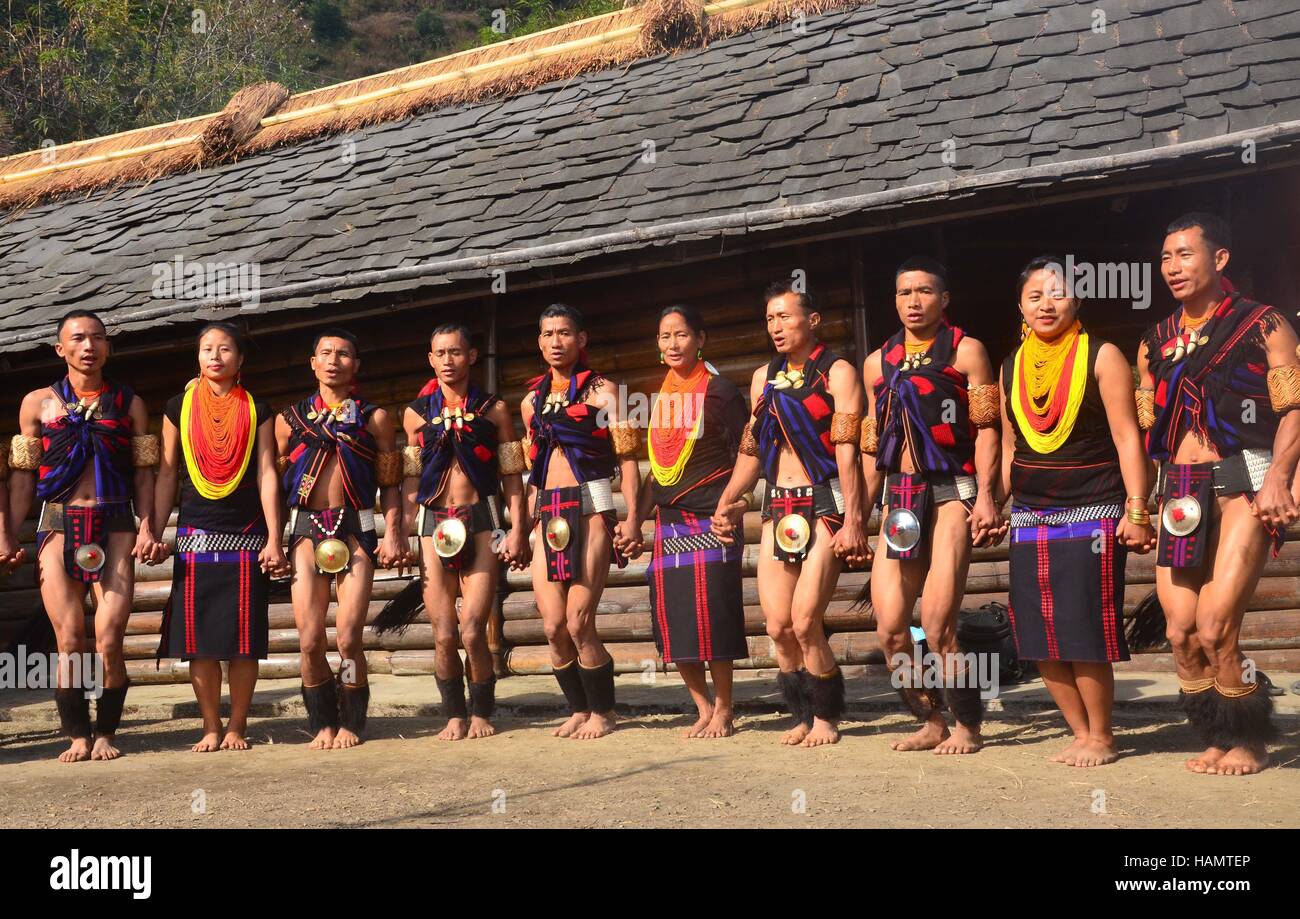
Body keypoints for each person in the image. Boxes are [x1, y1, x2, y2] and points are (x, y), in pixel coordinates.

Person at [1138, 212, 1300, 776]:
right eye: (1165, 258)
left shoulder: (1265, 324)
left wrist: (1280, 476)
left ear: (1220, 258)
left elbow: (1293, 409)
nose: (1173, 268)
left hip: (1243, 483)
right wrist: (1139, 504)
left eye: (1185, 254)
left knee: (1217, 625)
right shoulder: (1154, 342)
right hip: (1178, 492)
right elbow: (1146, 432)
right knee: (1182, 632)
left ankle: (1251, 740)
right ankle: (1215, 733)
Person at [999, 256, 1154, 767]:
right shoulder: (1010, 366)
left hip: (1093, 505)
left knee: (1083, 625)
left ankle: (1103, 735)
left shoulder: (1102, 355)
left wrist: (1137, 508)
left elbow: (1127, 436)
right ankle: (1080, 731)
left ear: (1078, 299)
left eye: (1057, 293)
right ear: (1020, 306)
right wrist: (991, 500)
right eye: (1035, 295)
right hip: (1030, 511)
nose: (1047, 303)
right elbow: (1009, 443)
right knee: (1038, 631)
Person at [712, 281, 869, 748]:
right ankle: (800, 714)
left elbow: (847, 452)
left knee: (805, 620)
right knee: (778, 626)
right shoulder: (764, 377)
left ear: (812, 320)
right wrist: (728, 498)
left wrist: (855, 519)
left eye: (785, 316)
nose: (776, 327)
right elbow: (751, 448)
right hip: (777, 504)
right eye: (770, 319)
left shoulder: (837, 372)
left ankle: (826, 716)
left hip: (824, 502)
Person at [860, 257, 1001, 754]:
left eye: (923, 291)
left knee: (938, 624)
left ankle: (967, 724)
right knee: (893, 628)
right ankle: (930, 717)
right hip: (899, 497)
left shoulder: (967, 352)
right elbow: (871, 446)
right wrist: (855, 518)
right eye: (903, 293)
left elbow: (987, 428)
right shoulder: (878, 362)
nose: (913, 301)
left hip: (951, 493)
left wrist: (987, 496)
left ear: (944, 299)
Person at [7, 309, 158, 762]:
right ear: (61, 348)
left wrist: (148, 525)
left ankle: (107, 731)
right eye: (78, 339)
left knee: (110, 638)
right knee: (70, 637)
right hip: (56, 523)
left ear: (108, 347)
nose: (88, 346)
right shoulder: (37, 403)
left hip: (114, 524)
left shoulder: (128, 403)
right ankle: (77, 734)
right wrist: (10, 534)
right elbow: (22, 476)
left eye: (97, 338)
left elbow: (145, 474)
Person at [378, 322, 530, 740]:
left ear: (471, 356)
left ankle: (482, 711)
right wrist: (398, 533)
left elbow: (512, 474)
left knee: (472, 630)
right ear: (431, 359)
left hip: (481, 523)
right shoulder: (415, 414)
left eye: (456, 352)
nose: (448, 360)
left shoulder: (493, 410)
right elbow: (409, 480)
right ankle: (454, 715)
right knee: (444, 634)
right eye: (440, 353)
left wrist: (518, 529)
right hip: (432, 526)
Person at [153, 322, 288, 751]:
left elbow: (268, 473)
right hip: (195, 531)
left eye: (225, 349)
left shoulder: (258, 410)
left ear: (240, 359)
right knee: (200, 642)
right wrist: (153, 530)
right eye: (207, 349)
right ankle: (211, 725)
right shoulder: (177, 407)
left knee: (244, 641)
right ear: (197, 358)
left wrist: (273, 537)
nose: (215, 356)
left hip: (247, 531)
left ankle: (238, 726)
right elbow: (168, 471)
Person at [276, 328, 404, 749]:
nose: (333, 360)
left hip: (356, 530)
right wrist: (272, 539)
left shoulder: (374, 418)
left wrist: (394, 532)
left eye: (344, 354)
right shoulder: (288, 421)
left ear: (356, 365)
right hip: (304, 531)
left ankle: (352, 718)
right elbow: (274, 485)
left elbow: (390, 483)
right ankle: (322, 722)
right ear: (312, 363)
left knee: (348, 636)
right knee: (310, 638)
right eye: (325, 353)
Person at [521, 304, 641, 739]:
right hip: (546, 514)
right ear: (539, 341)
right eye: (548, 333)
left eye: (565, 333)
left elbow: (628, 461)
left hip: (590, 507)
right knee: (552, 626)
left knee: (578, 620)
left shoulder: (606, 393)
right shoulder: (530, 403)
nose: (556, 341)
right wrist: (522, 527)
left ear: (581, 339)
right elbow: (533, 471)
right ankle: (578, 708)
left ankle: (604, 712)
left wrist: (630, 520)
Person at [636, 306, 749, 738]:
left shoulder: (720, 392)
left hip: (712, 518)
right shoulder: (660, 398)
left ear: (700, 339)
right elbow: (656, 470)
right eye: (665, 337)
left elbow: (747, 451)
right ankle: (701, 707)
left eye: (681, 335)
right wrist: (635, 520)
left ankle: (724, 709)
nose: (673, 344)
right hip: (669, 521)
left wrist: (737, 502)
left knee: (714, 614)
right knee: (675, 615)